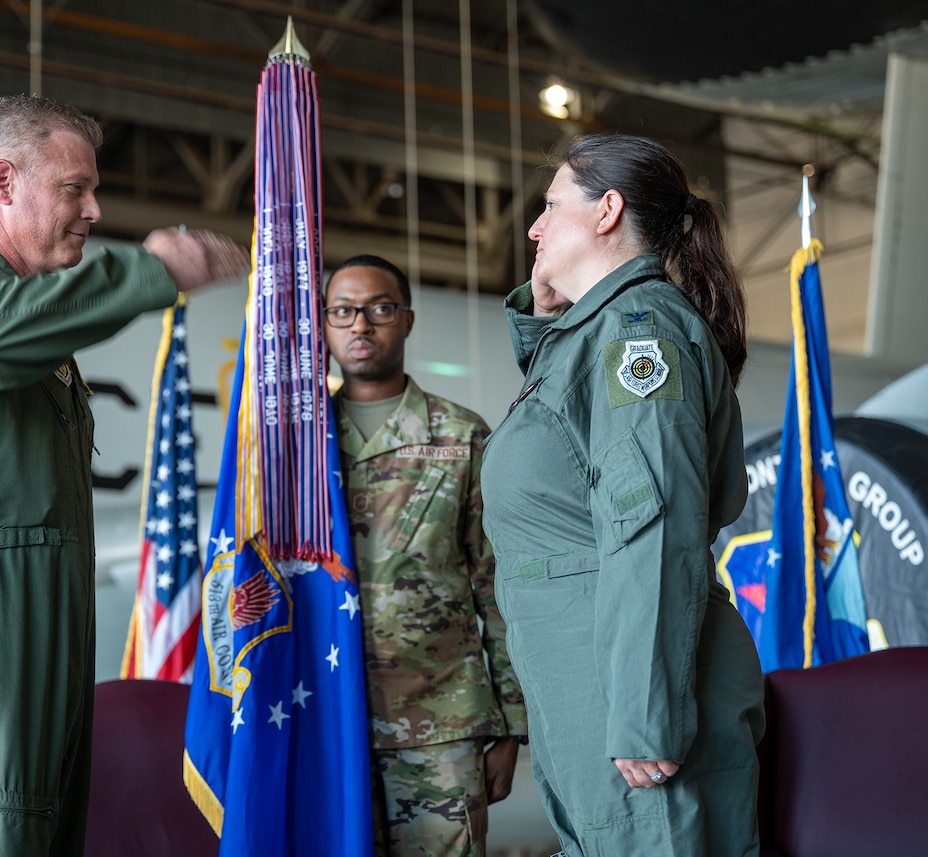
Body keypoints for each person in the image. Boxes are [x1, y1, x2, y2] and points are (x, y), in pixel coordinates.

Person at [0, 93, 247, 857]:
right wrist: (151, 273)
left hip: (29, 643)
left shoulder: (30, 324)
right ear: (2, 182)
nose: (94, 210)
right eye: (75, 188)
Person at [480, 133, 765, 857]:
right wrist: (544, 318)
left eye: (549, 206)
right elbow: (570, 455)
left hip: (629, 690)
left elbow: (654, 525)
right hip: (590, 678)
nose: (535, 226)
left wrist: (645, 714)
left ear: (607, 210)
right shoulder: (603, 331)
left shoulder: (639, 333)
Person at [322, 254, 529, 857]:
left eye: (380, 309)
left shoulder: (462, 436)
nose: (361, 325)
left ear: (407, 321)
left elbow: (498, 586)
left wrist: (510, 727)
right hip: (329, 716)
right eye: (343, 311)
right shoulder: (299, 445)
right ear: (324, 324)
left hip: (442, 728)